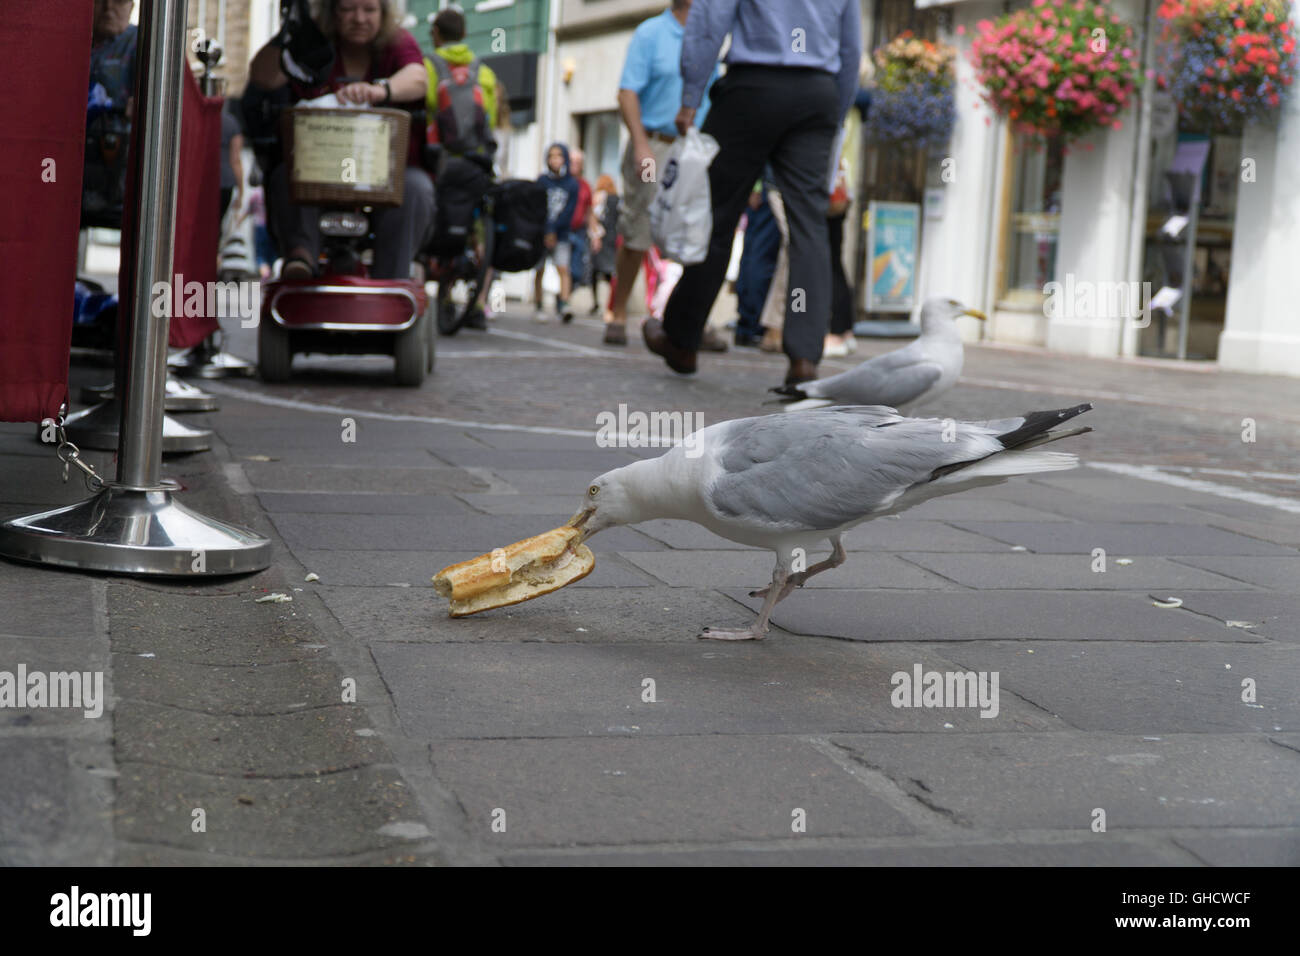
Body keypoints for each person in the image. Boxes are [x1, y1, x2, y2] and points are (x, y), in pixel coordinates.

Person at [642, 0, 861, 386]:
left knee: (716, 215)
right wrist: (836, 114)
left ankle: (682, 339)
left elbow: (711, 21)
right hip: (816, 94)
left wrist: (691, 94)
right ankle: (804, 357)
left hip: (753, 88)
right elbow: (850, 47)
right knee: (810, 228)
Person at [246, 0, 430, 280]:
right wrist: (289, 34)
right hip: (315, 169)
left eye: (369, 10)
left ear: (383, 14)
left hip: (384, 176)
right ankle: (300, 257)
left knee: (417, 187)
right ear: (333, 13)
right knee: (285, 176)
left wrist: (380, 91)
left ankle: (392, 277)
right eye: (348, 9)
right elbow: (263, 76)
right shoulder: (311, 43)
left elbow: (418, 78)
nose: (359, 18)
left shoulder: (397, 43)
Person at [606, 0, 716, 346]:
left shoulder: (710, 37)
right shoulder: (651, 33)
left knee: (695, 233)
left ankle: (689, 321)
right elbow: (627, 93)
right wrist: (640, 144)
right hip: (654, 143)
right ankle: (618, 311)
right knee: (639, 228)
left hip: (693, 150)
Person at [426, 6, 503, 327]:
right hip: (475, 164)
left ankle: (441, 293)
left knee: (440, 218)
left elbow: (425, 110)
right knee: (476, 226)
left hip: (441, 162)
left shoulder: (429, 66)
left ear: (436, 35)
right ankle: (478, 303)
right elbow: (492, 118)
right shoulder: (482, 72)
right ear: (465, 34)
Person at [84, 0, 138, 224]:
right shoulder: (73, 37)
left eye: (118, 1)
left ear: (131, 8)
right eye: (100, 1)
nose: (108, 9)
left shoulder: (140, 42)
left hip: (117, 159)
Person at [533, 142, 579, 323]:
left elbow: (569, 210)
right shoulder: (542, 181)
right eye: (551, 156)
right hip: (541, 232)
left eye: (559, 156)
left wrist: (555, 229)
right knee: (539, 268)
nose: (555, 160)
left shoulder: (571, 184)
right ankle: (538, 304)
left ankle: (564, 303)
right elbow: (536, 206)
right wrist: (546, 230)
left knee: (563, 268)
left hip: (562, 232)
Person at [733, 180, 778, 347]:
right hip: (771, 186)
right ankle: (755, 323)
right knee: (762, 256)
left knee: (753, 252)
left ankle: (746, 325)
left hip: (760, 183)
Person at [588, 175, 620, 319]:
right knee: (609, 273)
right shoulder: (617, 199)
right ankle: (611, 304)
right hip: (613, 239)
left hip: (602, 239)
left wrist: (595, 236)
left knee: (596, 272)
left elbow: (593, 217)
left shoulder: (600, 196)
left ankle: (597, 303)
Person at [567, 148, 593, 305]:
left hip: (579, 231)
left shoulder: (585, 186)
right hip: (563, 230)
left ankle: (564, 296)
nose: (575, 165)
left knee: (577, 272)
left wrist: (595, 234)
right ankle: (562, 302)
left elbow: (590, 211)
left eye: (578, 162)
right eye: (572, 161)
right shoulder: (562, 183)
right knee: (563, 267)